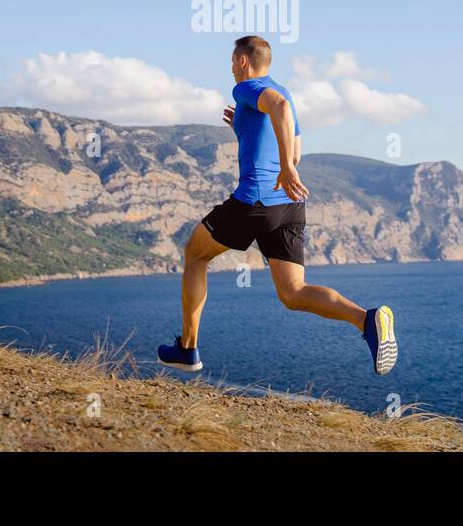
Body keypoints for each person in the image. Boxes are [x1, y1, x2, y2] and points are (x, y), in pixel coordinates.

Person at [158, 35, 398, 376]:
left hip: (254, 201)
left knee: (196, 254)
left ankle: (187, 349)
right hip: (288, 205)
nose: (230, 68)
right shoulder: (284, 92)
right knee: (293, 292)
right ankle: (368, 320)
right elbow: (292, 142)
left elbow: (281, 119)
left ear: (242, 61)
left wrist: (285, 168)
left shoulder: (246, 88)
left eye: (231, 61)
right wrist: (249, 134)